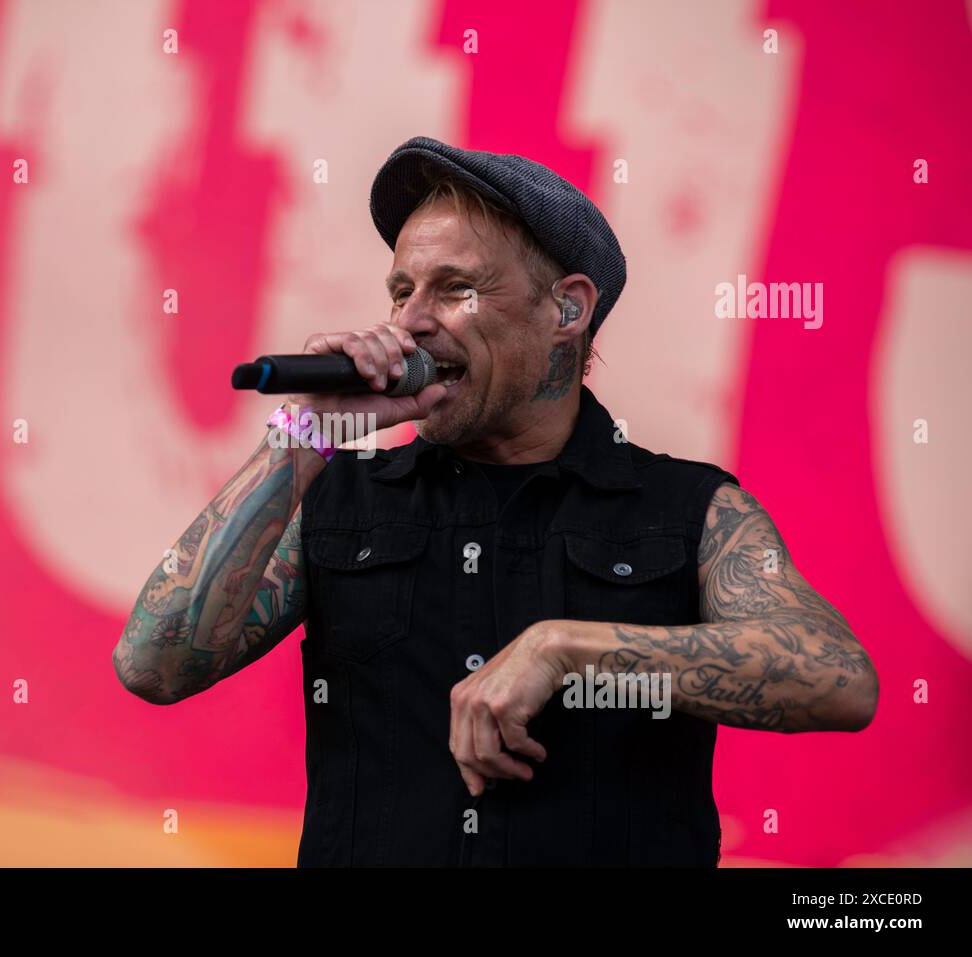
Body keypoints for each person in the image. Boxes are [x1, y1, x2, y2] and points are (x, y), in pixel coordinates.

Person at [114, 136, 878, 866]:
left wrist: (565, 649)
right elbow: (154, 664)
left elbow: (840, 679)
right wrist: (304, 434)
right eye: (401, 289)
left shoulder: (689, 510)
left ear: (567, 311)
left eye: (455, 288)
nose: (408, 320)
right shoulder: (337, 499)